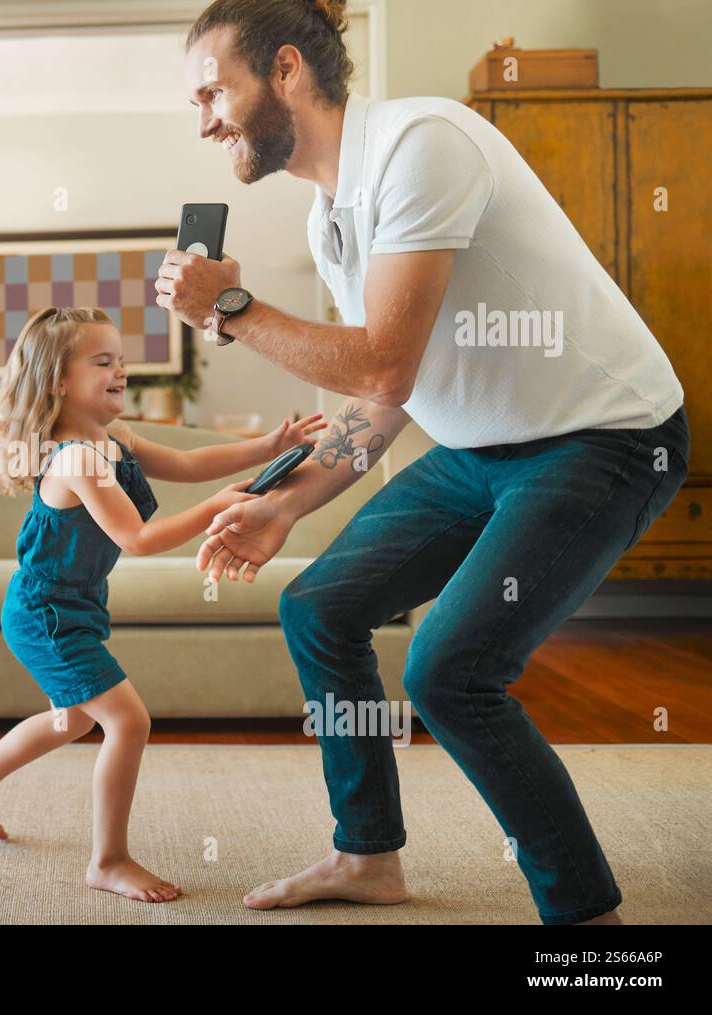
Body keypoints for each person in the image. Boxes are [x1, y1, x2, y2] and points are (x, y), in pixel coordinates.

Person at [159, 0, 688, 924]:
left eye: (213, 90)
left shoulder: (422, 145)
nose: (203, 118)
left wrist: (233, 305)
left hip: (606, 436)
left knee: (449, 671)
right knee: (318, 606)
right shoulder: (332, 218)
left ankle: (590, 928)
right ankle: (367, 856)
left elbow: (380, 358)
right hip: (480, 448)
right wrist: (288, 503)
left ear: (285, 70)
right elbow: (383, 400)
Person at [0, 306, 325, 901]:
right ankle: (109, 860)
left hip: (72, 608)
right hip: (46, 617)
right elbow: (138, 539)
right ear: (58, 382)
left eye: (121, 360)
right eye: (102, 362)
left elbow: (191, 463)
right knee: (128, 720)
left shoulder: (112, 439)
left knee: (71, 719)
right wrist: (216, 510)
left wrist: (267, 447)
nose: (121, 370)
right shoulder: (77, 459)